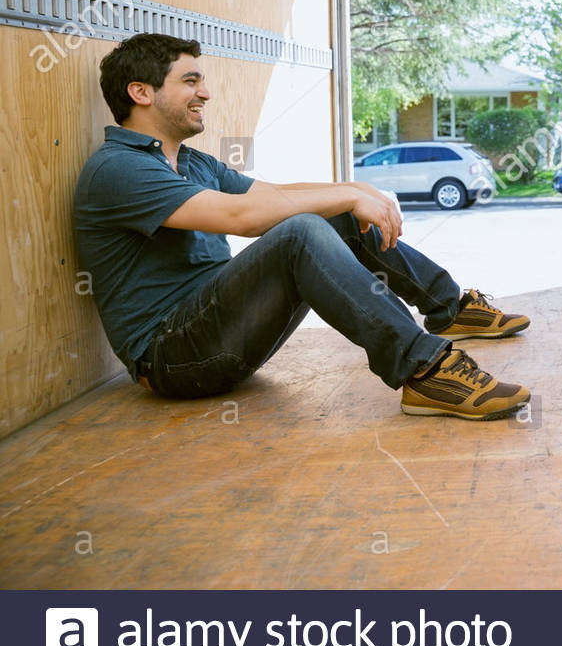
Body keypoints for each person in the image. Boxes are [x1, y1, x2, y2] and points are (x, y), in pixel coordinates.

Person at [73, 32, 531, 419]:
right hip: (173, 356)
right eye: (190, 81)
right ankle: (425, 372)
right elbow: (245, 218)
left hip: (221, 332)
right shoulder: (119, 169)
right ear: (141, 92)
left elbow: (271, 195)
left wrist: (352, 191)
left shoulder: (193, 162)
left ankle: (449, 309)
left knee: (329, 214)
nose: (206, 94)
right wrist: (349, 196)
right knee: (303, 230)